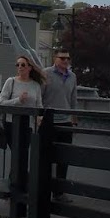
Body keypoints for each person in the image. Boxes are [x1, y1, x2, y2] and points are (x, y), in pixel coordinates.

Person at [42, 48, 78, 189]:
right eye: (62, 58)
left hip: (65, 122)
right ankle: (44, 189)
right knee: (46, 157)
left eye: (67, 58)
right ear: (55, 59)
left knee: (64, 158)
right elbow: (40, 96)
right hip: (49, 121)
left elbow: (73, 98)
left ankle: (59, 190)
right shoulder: (46, 74)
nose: (65, 61)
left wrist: (74, 118)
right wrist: (40, 116)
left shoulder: (72, 76)